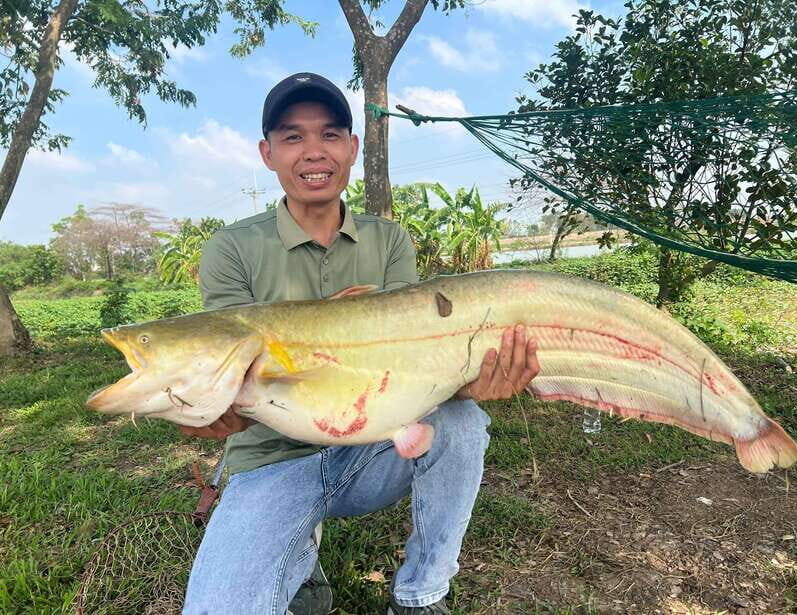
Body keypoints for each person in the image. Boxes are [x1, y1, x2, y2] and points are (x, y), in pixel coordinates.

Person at [181, 72, 539, 615]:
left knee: (462, 426)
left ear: (351, 148)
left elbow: (409, 366)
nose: (312, 152)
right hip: (270, 458)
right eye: (292, 136)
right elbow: (229, 368)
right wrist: (221, 406)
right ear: (267, 153)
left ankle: (420, 594)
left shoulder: (388, 241)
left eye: (328, 134)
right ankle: (296, 550)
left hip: (370, 448)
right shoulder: (232, 249)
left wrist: (467, 381)